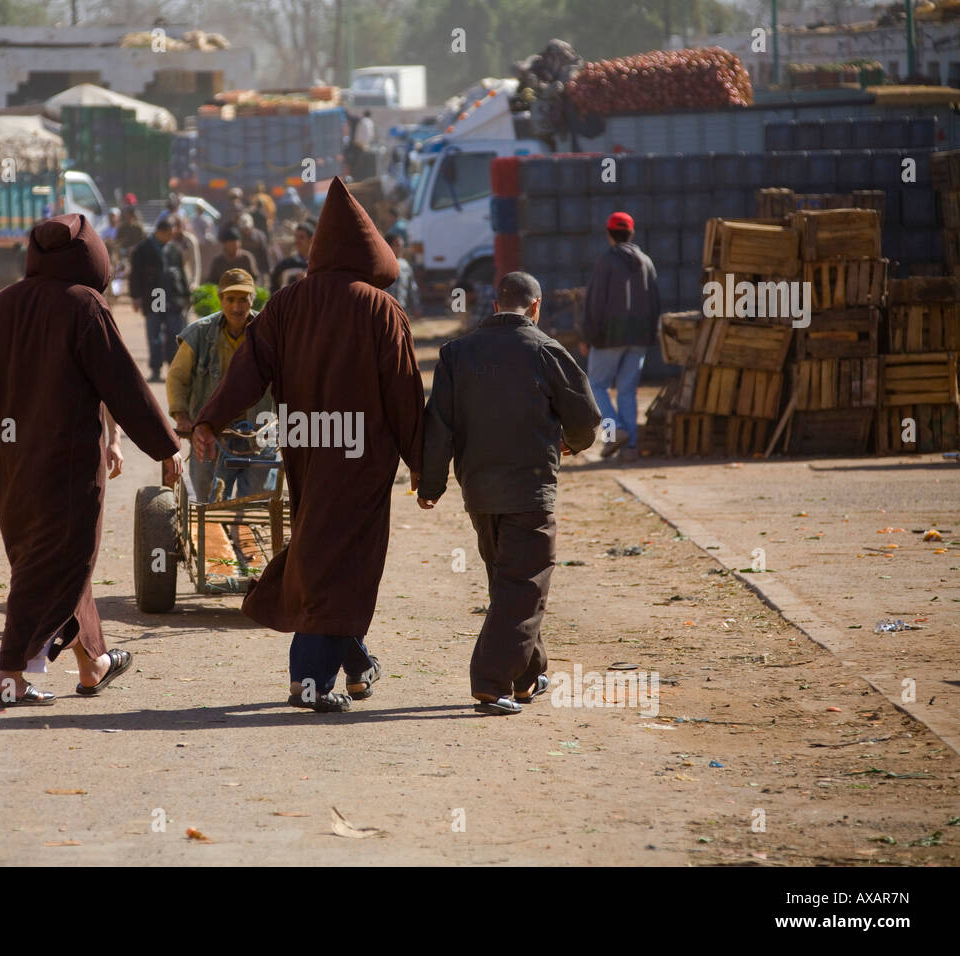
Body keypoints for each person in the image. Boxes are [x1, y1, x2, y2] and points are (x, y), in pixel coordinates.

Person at [192, 177, 425, 713]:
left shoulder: (286, 305)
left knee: (322, 545)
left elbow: (248, 371)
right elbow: (405, 396)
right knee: (342, 555)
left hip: (306, 444)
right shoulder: (381, 309)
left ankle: (357, 665)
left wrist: (210, 420)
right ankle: (309, 680)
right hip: (362, 454)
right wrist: (423, 465)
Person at [0, 214, 182, 707]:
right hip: (70, 465)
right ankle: (9, 673)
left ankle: (92, 663)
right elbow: (123, 385)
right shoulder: (86, 306)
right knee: (58, 560)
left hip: (10, 466)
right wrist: (165, 446)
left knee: (49, 560)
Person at [418, 272, 601, 715]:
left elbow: (437, 425)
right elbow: (587, 419)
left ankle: (527, 677)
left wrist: (431, 484)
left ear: (496, 304)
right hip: (529, 490)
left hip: (479, 492)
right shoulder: (547, 350)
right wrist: (569, 444)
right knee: (522, 586)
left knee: (510, 585)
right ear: (535, 307)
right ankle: (490, 682)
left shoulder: (457, 353)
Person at [167, 268, 276, 502]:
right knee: (207, 506)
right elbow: (177, 377)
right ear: (220, 298)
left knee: (256, 508)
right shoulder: (199, 333)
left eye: (243, 300)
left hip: (259, 434)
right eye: (231, 299)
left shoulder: (269, 333)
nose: (237, 307)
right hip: (210, 435)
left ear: (252, 299)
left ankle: (242, 539)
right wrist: (183, 417)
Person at [580, 211, 660, 462]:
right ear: (632, 233)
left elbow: (595, 302)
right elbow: (656, 302)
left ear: (608, 234)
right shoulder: (646, 261)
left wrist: (588, 335)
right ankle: (631, 447)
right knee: (627, 391)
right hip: (639, 338)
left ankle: (614, 431)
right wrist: (650, 335)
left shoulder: (606, 261)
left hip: (609, 336)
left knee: (596, 385)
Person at [129, 214, 191, 382]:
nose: (172, 236)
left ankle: (173, 369)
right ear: (161, 232)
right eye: (170, 233)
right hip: (156, 297)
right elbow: (135, 275)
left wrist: (186, 296)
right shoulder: (143, 249)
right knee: (155, 334)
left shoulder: (174, 250)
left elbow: (181, 273)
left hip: (172, 297)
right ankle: (155, 370)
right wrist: (135, 297)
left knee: (174, 333)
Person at [383, 232, 421, 318]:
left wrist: (416, 306)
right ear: (388, 246)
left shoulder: (405, 265)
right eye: (397, 245)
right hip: (385, 308)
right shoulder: (382, 265)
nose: (401, 248)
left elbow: (412, 287)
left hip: (402, 308)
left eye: (401, 245)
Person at [269, 220, 313, 292]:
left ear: (311, 239)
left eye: (301, 237)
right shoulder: (285, 265)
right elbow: (274, 289)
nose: (297, 241)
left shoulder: (318, 265)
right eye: (296, 237)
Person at [164, 209, 201, 287]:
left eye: (178, 226)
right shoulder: (166, 240)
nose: (176, 229)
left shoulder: (190, 240)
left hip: (185, 279)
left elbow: (195, 263)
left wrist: (195, 282)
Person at [235, 213, 271, 286]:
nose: (245, 231)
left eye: (247, 229)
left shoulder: (260, 236)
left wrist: (267, 270)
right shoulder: (236, 237)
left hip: (258, 269)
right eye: (243, 229)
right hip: (242, 270)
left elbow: (265, 253)